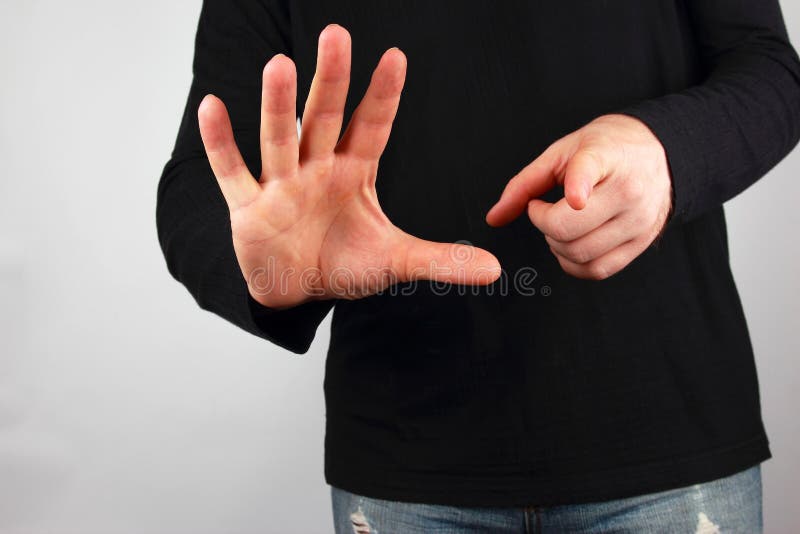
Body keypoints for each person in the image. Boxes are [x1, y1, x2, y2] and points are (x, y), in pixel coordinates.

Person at [156, 0, 800, 531]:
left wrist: (667, 150)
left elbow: (773, 73)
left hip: (670, 446)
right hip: (407, 469)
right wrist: (270, 274)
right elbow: (199, 186)